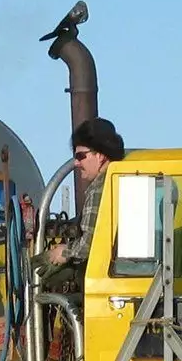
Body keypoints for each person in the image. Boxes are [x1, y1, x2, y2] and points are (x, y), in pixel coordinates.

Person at [43, 117, 125, 287]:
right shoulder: (122, 181)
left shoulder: (100, 189)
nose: (76, 163)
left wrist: (63, 253)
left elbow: (90, 243)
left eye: (80, 156)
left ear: (100, 156)